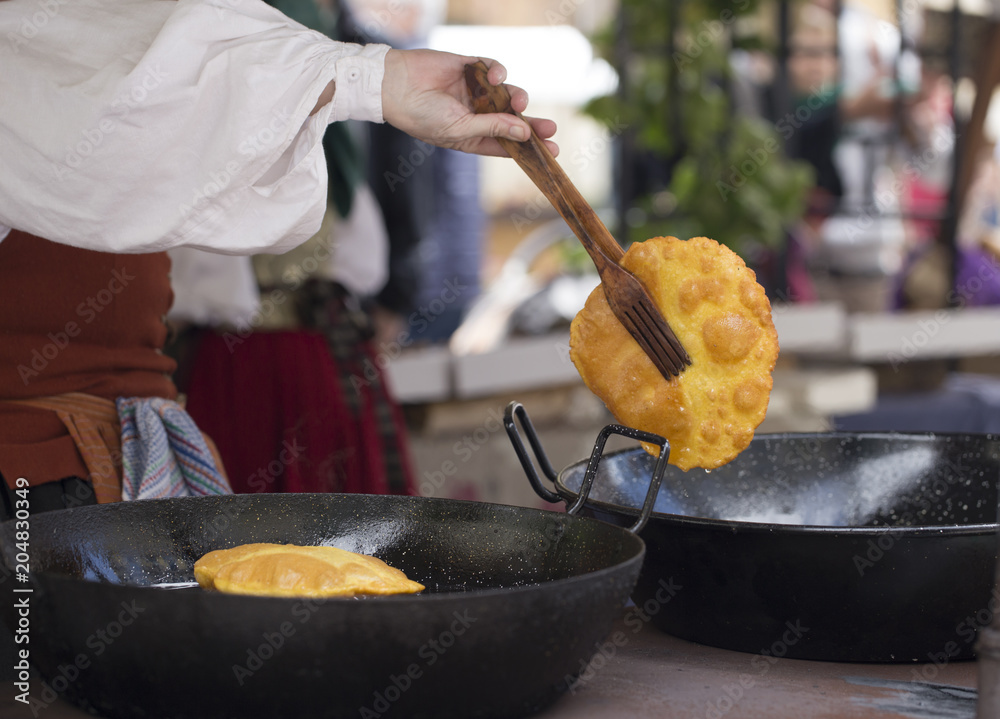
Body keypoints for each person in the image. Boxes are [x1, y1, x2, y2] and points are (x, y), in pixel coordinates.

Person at [0, 0, 557, 517]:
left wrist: (369, 78)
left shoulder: (316, 48)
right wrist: (367, 79)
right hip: (192, 381)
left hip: (290, 360)